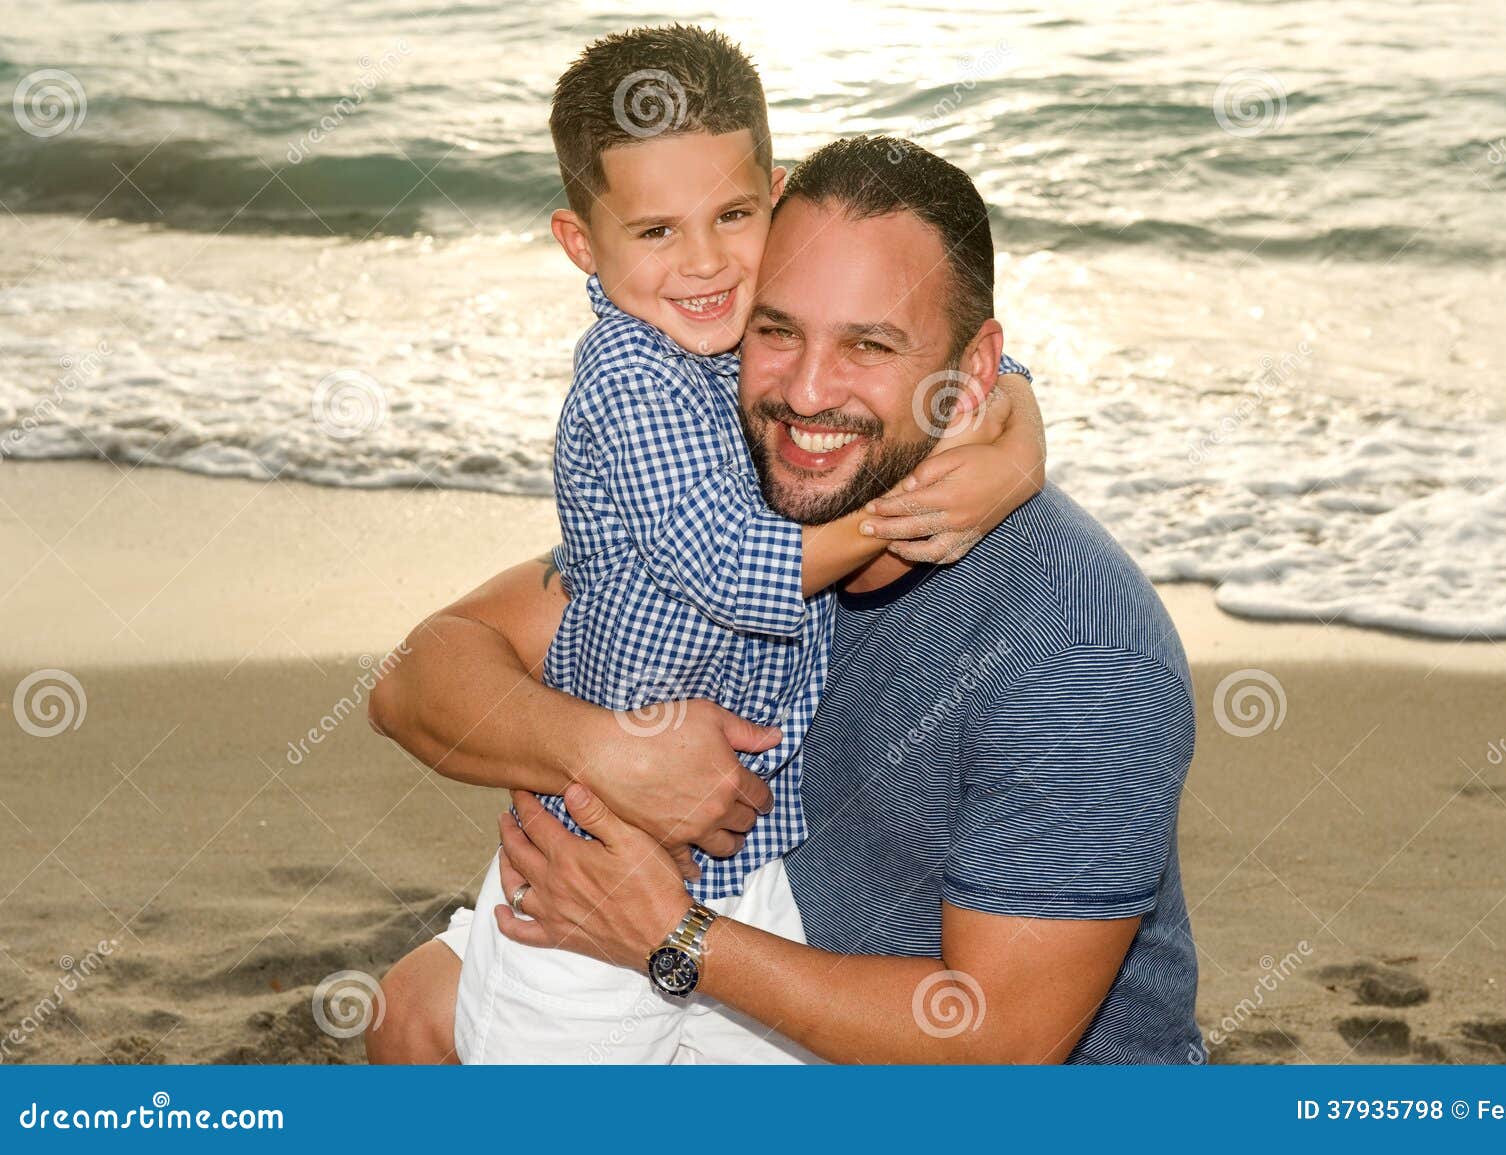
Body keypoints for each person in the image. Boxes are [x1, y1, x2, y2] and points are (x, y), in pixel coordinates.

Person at [366, 131, 1203, 1065]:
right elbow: (414, 681)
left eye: (868, 345)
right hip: (779, 986)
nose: (806, 391)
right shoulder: (748, 519)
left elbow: (997, 1041)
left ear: (972, 372)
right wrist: (606, 753)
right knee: (417, 1008)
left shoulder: (1074, 649)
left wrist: (671, 934)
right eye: (776, 329)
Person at [420, 25, 1043, 1064]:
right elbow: (727, 563)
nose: (707, 262)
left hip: (741, 855)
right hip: (597, 857)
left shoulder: (745, 323)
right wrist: (904, 514)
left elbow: (906, 337)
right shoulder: (634, 379)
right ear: (582, 243)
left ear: (778, 200)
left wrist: (1012, 409)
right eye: (656, 231)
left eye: (735, 216)